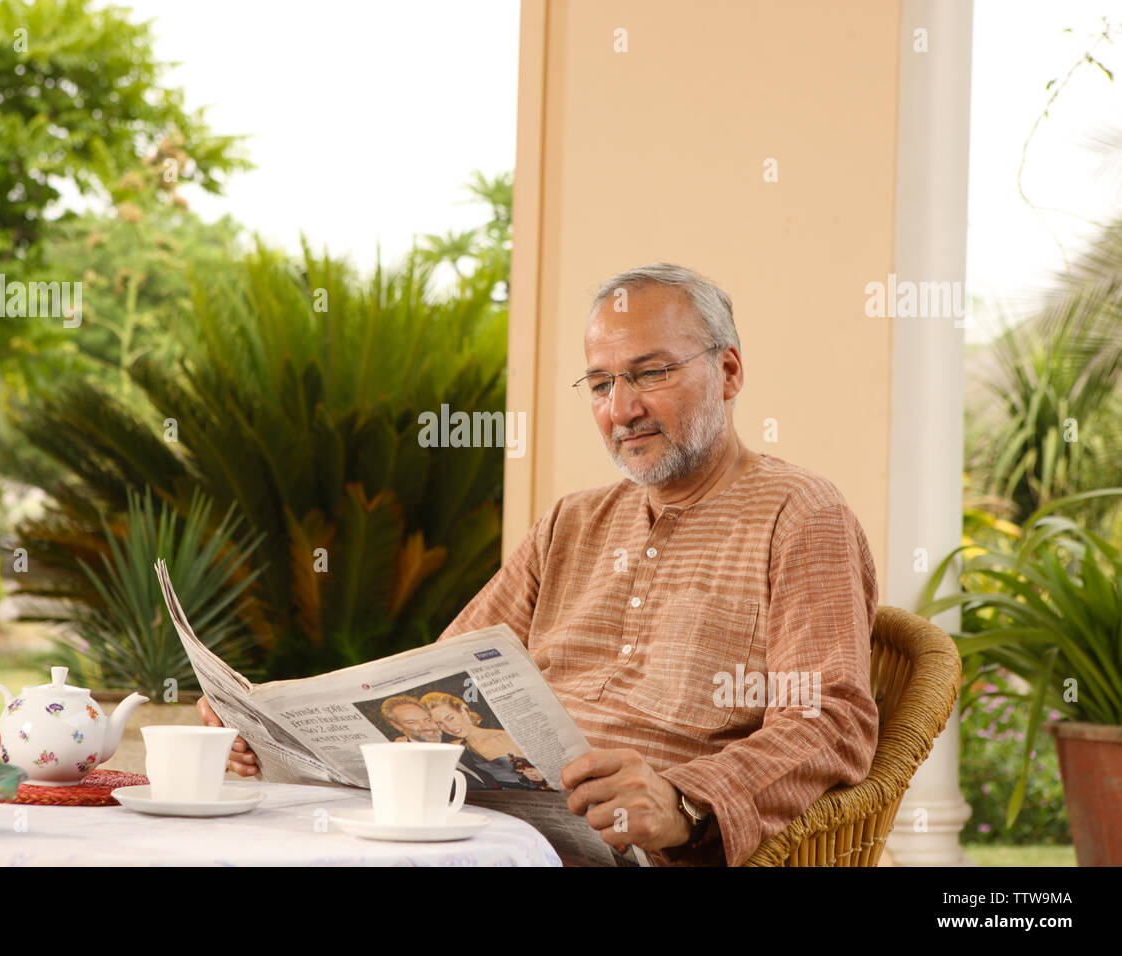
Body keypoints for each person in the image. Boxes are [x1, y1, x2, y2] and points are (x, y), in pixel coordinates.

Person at [201, 262, 879, 866]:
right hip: (481, 834)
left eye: (651, 372)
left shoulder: (800, 513)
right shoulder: (571, 522)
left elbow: (829, 723)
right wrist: (275, 729)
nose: (623, 409)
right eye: (601, 383)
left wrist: (684, 801)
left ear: (728, 371)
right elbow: (430, 682)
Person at [420, 691, 551, 790]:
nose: (448, 727)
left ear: (463, 711)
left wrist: (544, 778)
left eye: (450, 718)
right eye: (439, 724)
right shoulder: (455, 749)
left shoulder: (507, 737)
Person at [378, 693, 496, 790]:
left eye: (428, 719)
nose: (426, 726)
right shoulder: (404, 760)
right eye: (412, 722)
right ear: (397, 726)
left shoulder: (458, 746)